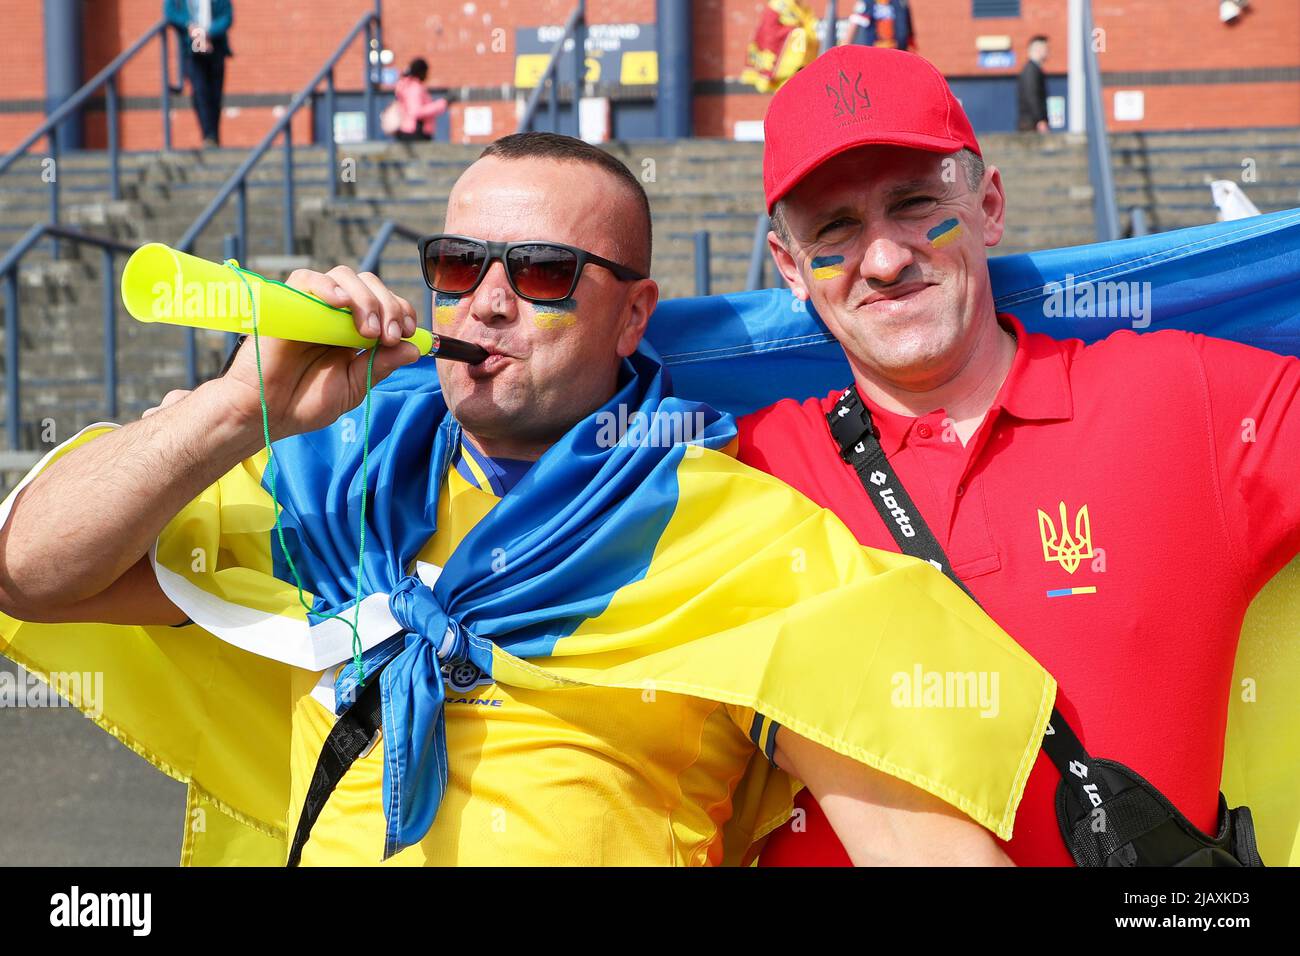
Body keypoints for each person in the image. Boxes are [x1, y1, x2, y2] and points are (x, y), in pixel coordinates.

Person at [0, 132, 1055, 866]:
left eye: (545, 274)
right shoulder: (336, 487)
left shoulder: (734, 534)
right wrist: (238, 408)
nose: (488, 301)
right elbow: (35, 573)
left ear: (633, 314)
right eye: (457, 267)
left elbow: (916, 845)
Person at [736, 44, 1300, 866]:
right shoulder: (746, 469)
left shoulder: (1189, 397)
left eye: (916, 205)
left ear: (989, 204)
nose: (886, 260)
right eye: (836, 230)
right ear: (790, 266)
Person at [164, 0, 233, 148]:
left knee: (215, 94)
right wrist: (191, 27)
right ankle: (209, 136)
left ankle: (213, 135)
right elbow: (170, 12)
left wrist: (207, 33)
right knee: (200, 91)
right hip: (192, 46)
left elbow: (227, 16)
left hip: (215, 44)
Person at [390, 57, 448, 142]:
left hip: (408, 131)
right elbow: (416, 111)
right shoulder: (415, 88)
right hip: (416, 132)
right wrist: (442, 104)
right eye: (426, 72)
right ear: (421, 72)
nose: (427, 75)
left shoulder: (406, 86)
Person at [849, 1, 916, 51]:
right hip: (874, 49)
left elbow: (907, 25)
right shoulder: (866, 3)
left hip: (895, 48)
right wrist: (845, 45)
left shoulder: (900, 3)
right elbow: (854, 24)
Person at [1017, 35, 1049, 133]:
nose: (1048, 52)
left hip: (1031, 123)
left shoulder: (1033, 69)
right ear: (1038, 49)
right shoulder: (1031, 70)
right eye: (1046, 49)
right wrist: (1040, 120)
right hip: (1031, 125)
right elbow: (1032, 96)